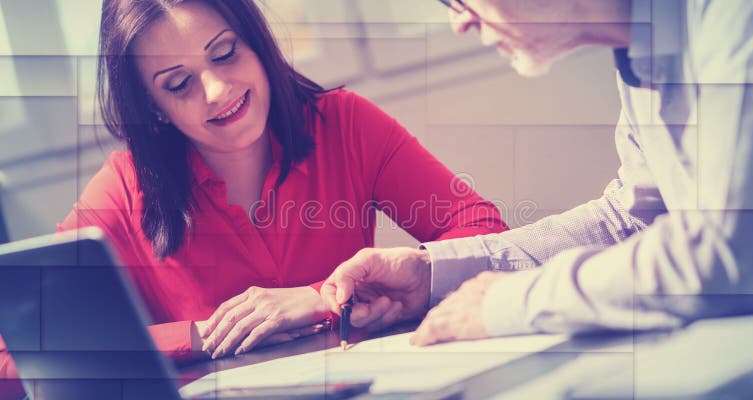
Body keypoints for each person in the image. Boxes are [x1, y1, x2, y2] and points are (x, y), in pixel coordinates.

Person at [0, 3, 509, 392]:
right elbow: (14, 346)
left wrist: (319, 298)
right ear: (153, 109)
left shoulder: (345, 124)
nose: (218, 89)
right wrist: (199, 336)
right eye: (178, 84)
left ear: (256, 44)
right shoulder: (124, 189)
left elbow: (487, 232)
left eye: (225, 53)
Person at [322, 0, 753, 346]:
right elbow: (630, 218)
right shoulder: (643, 50)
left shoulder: (750, 16)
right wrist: (432, 275)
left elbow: (727, 260)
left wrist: (510, 302)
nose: (460, 21)